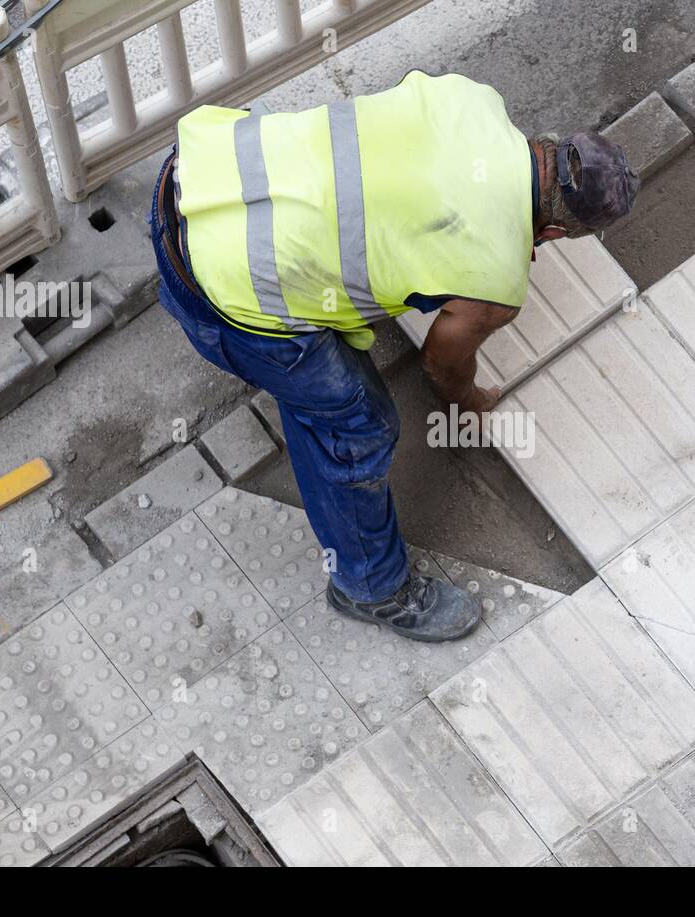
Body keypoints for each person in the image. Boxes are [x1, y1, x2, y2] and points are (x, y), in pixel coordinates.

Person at [150, 70, 639, 642]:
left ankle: (306, 395)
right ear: (554, 233)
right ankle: (371, 588)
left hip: (197, 170)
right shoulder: (496, 281)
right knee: (363, 425)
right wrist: (468, 401)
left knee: (328, 364)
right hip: (214, 287)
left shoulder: (474, 96)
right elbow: (442, 365)